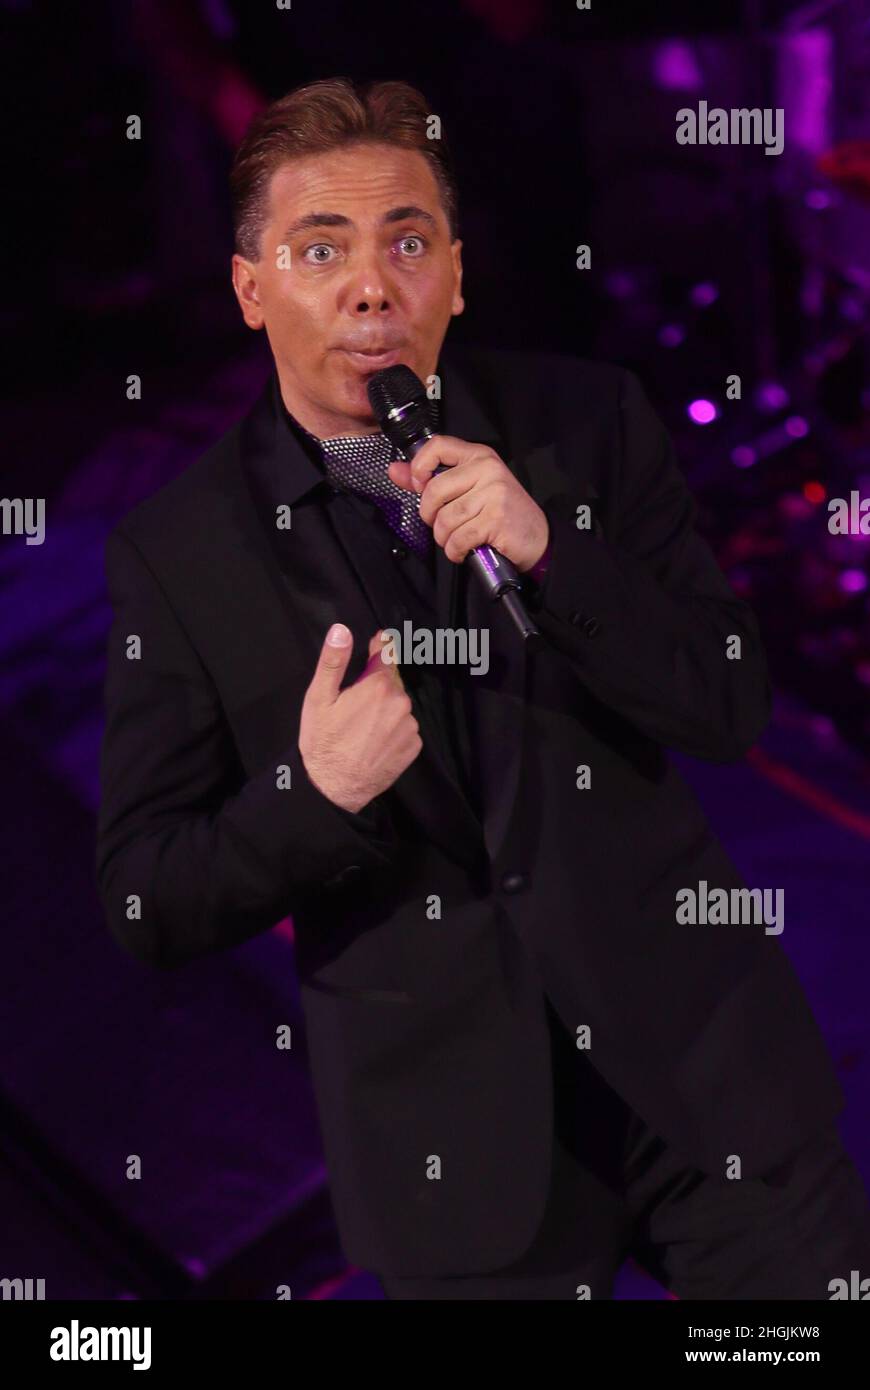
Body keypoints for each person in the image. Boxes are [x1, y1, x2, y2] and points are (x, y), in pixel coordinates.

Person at [96, 77, 870, 1299]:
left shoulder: (586, 425)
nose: (372, 287)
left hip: (714, 1092)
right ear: (251, 290)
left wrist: (561, 555)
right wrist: (318, 793)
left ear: (455, 273)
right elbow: (146, 900)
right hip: (458, 1172)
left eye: (408, 242)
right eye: (319, 249)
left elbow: (730, 706)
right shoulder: (179, 556)